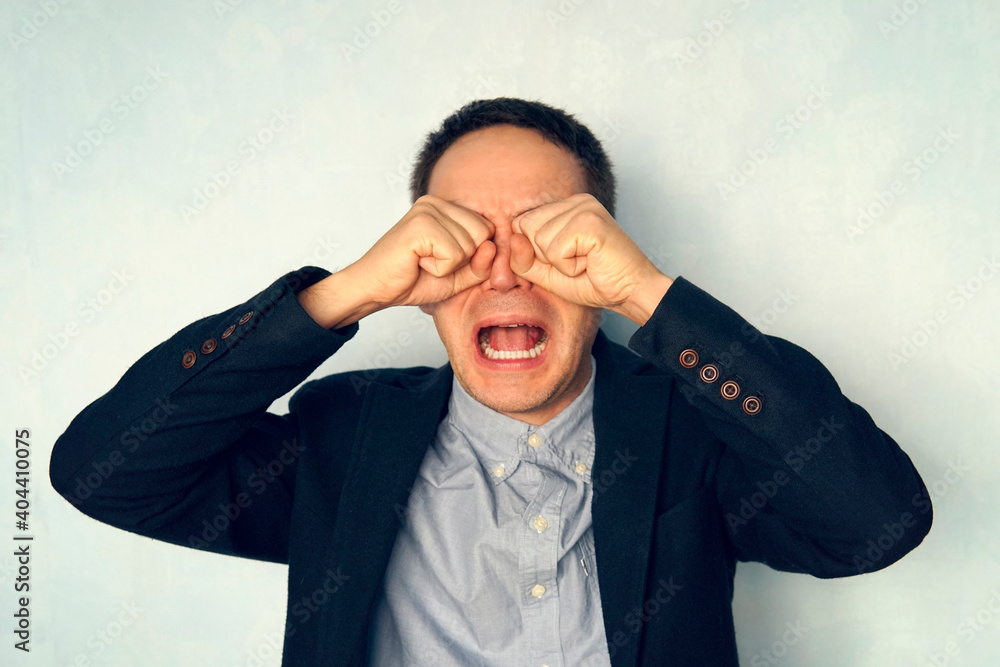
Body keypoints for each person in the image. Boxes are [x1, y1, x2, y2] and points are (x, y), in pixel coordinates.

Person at [50, 97, 933, 666]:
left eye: (549, 238)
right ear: (418, 267)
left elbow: (877, 522)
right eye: (466, 236)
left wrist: (649, 294)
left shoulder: (691, 434)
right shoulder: (340, 442)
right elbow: (104, 470)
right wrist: (344, 292)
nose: (506, 275)